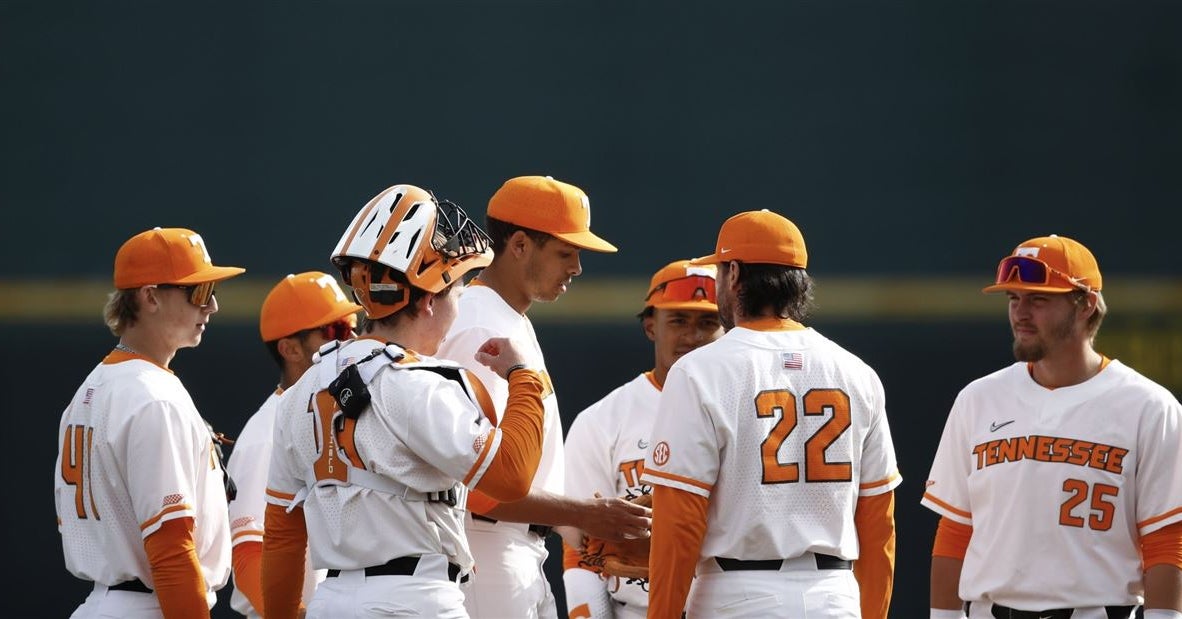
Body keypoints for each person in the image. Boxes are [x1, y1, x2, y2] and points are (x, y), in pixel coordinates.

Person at [261, 184, 550, 619]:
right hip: (416, 601)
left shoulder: (300, 392)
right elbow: (511, 477)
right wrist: (525, 376)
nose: (462, 299)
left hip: (332, 603)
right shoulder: (421, 384)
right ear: (430, 299)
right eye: (459, 288)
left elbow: (282, 534)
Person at [641, 209, 902, 619]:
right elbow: (878, 522)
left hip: (737, 596)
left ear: (734, 275)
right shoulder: (856, 372)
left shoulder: (699, 370)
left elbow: (680, 523)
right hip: (834, 596)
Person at [923, 235, 1182, 619]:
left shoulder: (1149, 406)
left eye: (1038, 299)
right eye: (1013, 299)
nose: (1020, 313)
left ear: (1086, 305)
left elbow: (1165, 540)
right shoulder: (979, 399)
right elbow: (957, 529)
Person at [435, 175, 652, 619]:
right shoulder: (480, 325)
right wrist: (588, 515)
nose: (577, 267)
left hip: (515, 549)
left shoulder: (507, 318)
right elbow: (473, 482)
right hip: (485, 551)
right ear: (518, 245)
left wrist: (588, 530)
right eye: (566, 252)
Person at [54, 227, 244, 618]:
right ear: (150, 296)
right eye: (199, 292)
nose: (211, 307)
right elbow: (171, 549)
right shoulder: (152, 397)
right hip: (151, 605)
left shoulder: (90, 391)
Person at [562, 259, 724, 619]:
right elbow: (581, 554)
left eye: (708, 322)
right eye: (679, 320)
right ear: (651, 326)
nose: (693, 336)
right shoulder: (602, 420)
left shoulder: (746, 413)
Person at [224, 271, 362, 618]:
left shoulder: (322, 413)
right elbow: (248, 554)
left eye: (352, 325)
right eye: (335, 331)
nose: (352, 339)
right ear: (290, 348)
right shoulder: (266, 431)